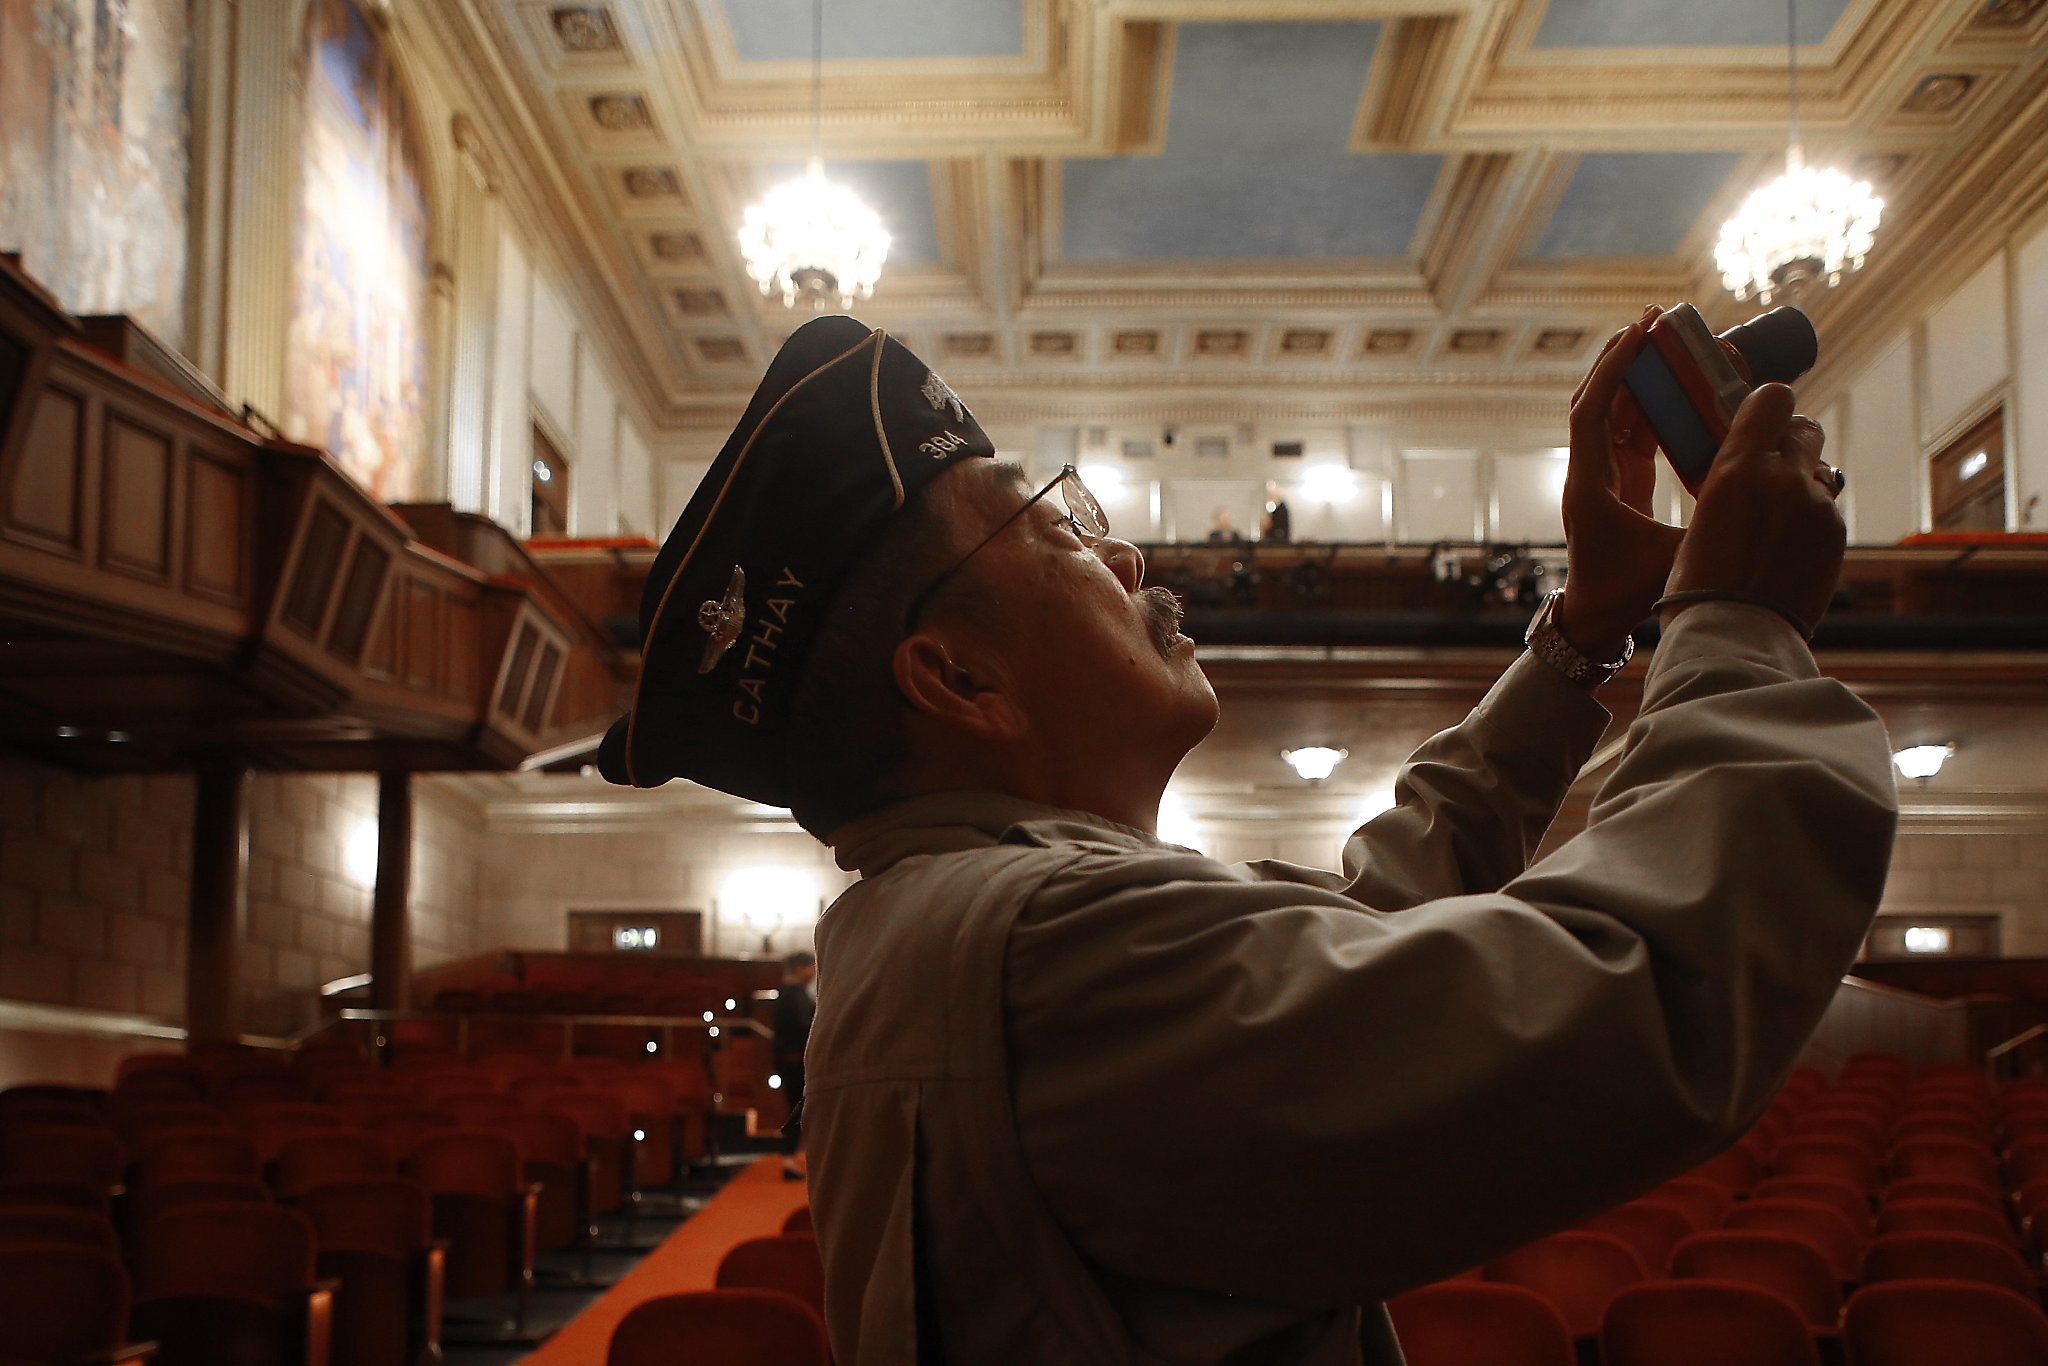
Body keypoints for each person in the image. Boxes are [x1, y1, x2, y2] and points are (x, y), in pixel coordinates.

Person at [598, 310, 1896, 1364]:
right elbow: (1638, 1005)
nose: (1125, 553)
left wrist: (1583, 634)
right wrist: (1740, 625)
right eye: (1056, 524)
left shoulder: (970, 917)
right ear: (958, 680)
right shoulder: (1047, 952)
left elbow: (1362, 930)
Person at [772, 950, 818, 1181]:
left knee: (796, 1108)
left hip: (786, 1057)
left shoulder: (785, 992)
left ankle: (791, 1156)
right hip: (795, 1058)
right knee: (796, 1109)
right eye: (810, 967)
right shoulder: (795, 994)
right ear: (801, 969)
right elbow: (804, 1027)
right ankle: (789, 1158)